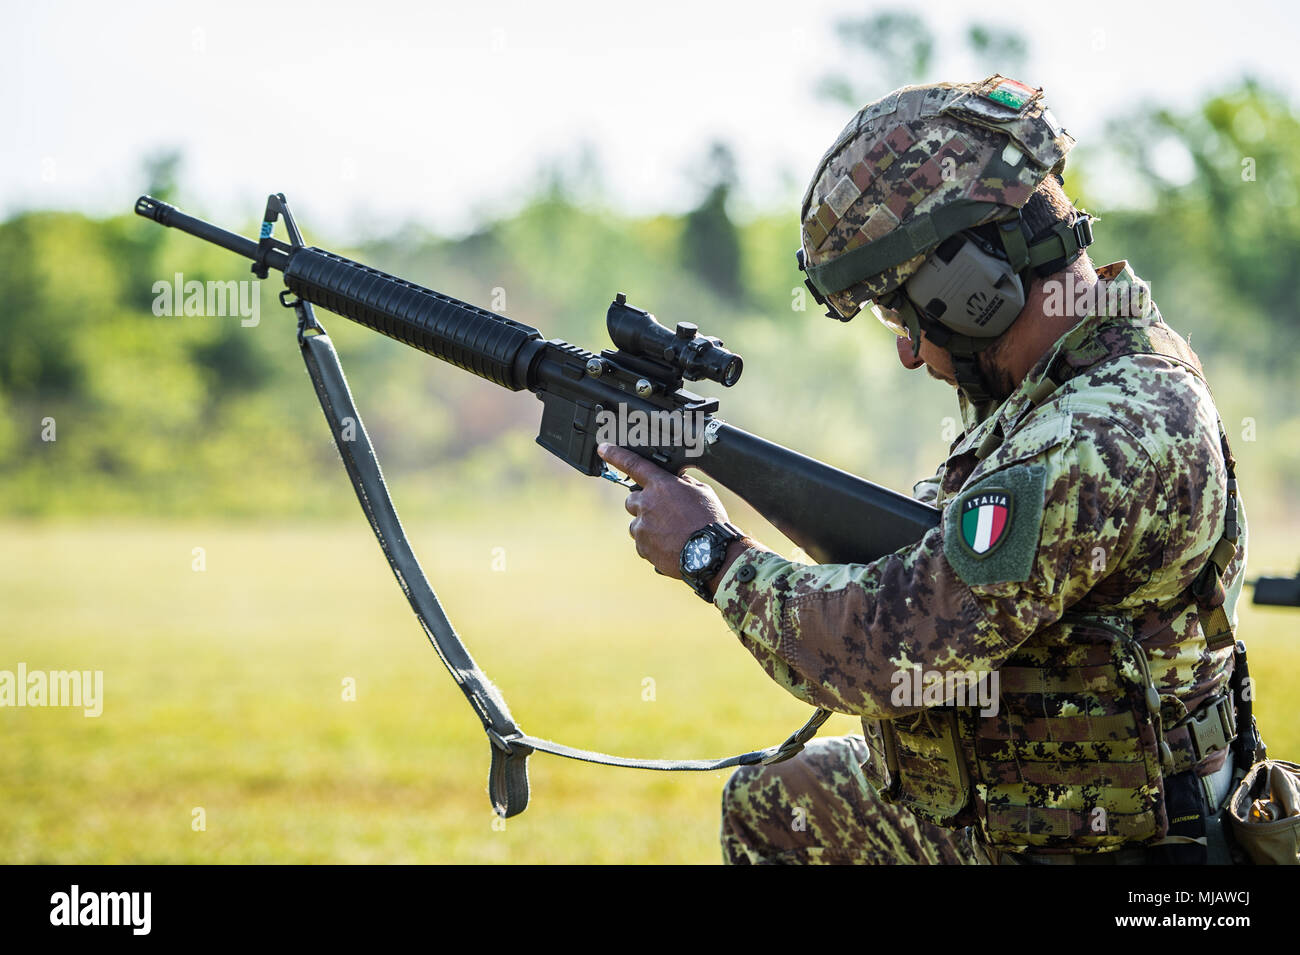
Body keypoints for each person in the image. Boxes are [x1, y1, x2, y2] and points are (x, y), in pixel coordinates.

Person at [596, 75, 1251, 865]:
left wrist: (710, 554)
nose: (908, 352)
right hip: (1034, 805)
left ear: (967, 287)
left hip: (1123, 850)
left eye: (901, 314)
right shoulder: (1070, 378)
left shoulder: (1110, 427)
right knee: (776, 803)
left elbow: (893, 646)